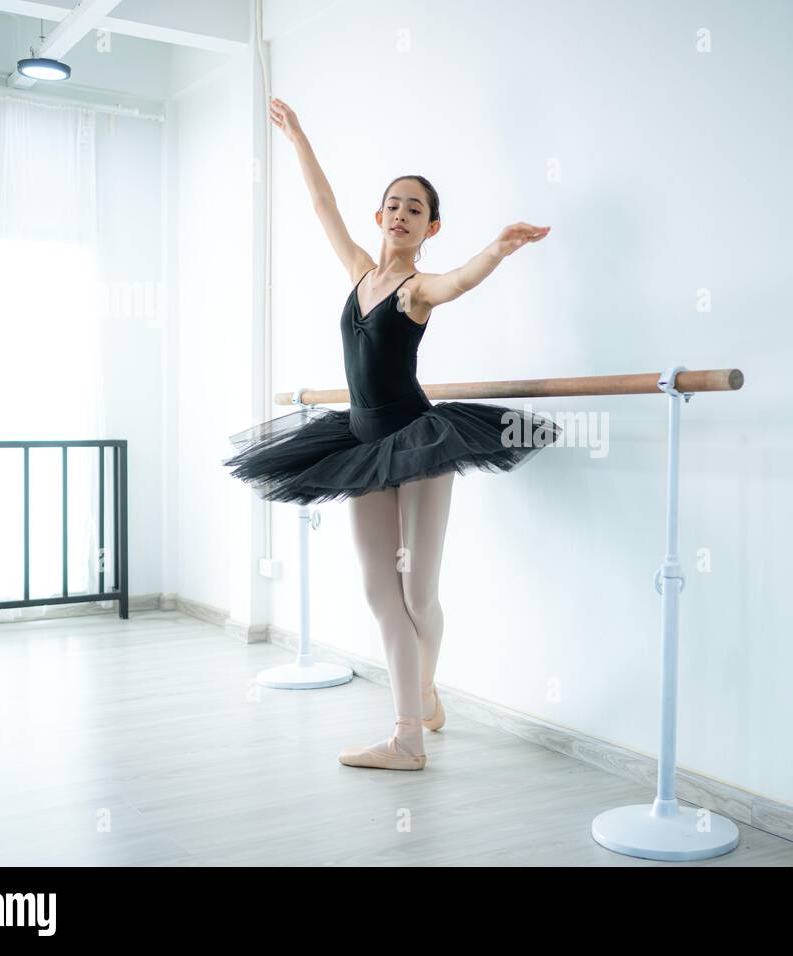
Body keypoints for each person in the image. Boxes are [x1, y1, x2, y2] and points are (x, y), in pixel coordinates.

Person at [222, 98, 560, 771]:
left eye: (415, 208)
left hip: (420, 442)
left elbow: (460, 280)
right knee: (381, 591)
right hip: (359, 445)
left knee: (417, 593)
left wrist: (497, 247)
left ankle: (408, 733)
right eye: (393, 205)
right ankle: (424, 703)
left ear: (430, 226)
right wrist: (298, 136)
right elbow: (322, 205)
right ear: (380, 217)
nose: (401, 214)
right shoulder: (359, 274)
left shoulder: (416, 289)